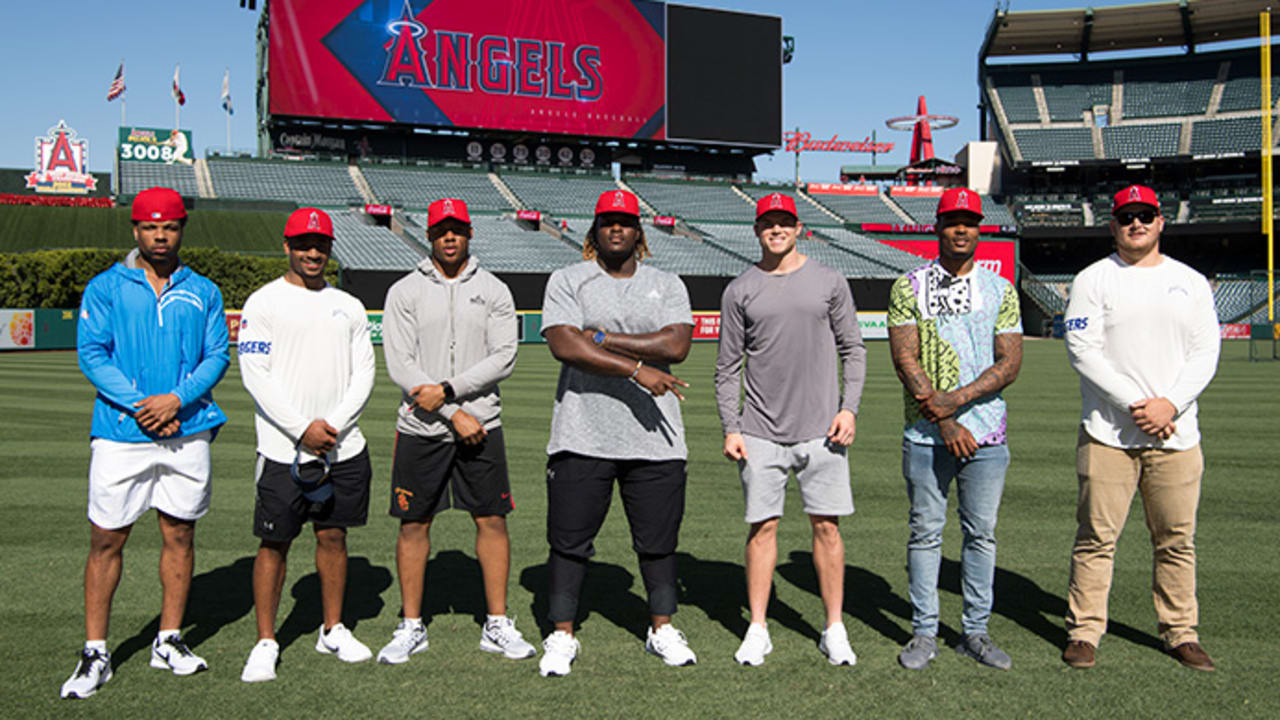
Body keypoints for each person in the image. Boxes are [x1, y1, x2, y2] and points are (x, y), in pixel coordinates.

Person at [62, 186, 229, 699]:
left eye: (170, 227)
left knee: (180, 535)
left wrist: (175, 400)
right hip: (121, 431)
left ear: (181, 230)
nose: (161, 236)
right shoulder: (105, 287)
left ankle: (169, 639)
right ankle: (96, 651)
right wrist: (144, 405)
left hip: (186, 429)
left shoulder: (203, 290)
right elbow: (92, 353)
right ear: (135, 229)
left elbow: (217, 356)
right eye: (151, 227)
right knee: (106, 539)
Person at [536, 189, 697, 677]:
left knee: (658, 541)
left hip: (656, 438)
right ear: (595, 228)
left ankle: (661, 628)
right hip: (582, 433)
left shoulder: (666, 283)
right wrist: (637, 370)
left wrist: (605, 338)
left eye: (624, 221)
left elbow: (677, 345)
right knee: (569, 541)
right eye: (607, 221)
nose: (616, 228)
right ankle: (562, 634)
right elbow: (565, 344)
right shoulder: (568, 279)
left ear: (638, 230)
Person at [1061, 184, 1221, 671]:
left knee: (1176, 540)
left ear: (1160, 222)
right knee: (1095, 538)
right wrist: (1138, 404)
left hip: (1176, 434)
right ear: (1113, 225)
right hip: (1108, 433)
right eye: (1127, 216)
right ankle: (1084, 630)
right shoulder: (1093, 279)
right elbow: (1083, 351)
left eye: (1145, 215)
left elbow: (1205, 352)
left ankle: (1180, 632)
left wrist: (1169, 404)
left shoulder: (1190, 282)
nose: (1136, 223)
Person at [377, 198, 534, 664]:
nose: (450, 237)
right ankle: (411, 624)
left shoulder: (494, 289)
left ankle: (497, 623)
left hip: (481, 424)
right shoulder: (404, 290)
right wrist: (451, 412)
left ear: (469, 233)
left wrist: (448, 392)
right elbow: (400, 364)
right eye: (441, 230)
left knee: (492, 520)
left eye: (457, 229)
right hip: (420, 426)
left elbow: (503, 357)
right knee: (413, 524)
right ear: (428, 235)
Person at [714, 192, 867, 667]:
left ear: (799, 228)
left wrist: (849, 409)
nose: (776, 229)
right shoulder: (740, 290)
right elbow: (727, 367)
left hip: (823, 429)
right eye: (768, 223)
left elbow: (853, 349)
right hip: (760, 431)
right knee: (763, 528)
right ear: (756, 230)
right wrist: (731, 426)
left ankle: (834, 628)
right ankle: (757, 628)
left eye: (784, 222)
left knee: (827, 527)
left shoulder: (829, 280)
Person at [237, 207, 377, 682]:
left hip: (342, 446)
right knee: (274, 543)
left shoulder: (348, 305)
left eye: (320, 245)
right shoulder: (263, 302)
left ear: (330, 249)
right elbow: (256, 376)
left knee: (333, 536)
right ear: (287, 246)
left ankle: (332, 628)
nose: (312, 253)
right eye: (303, 244)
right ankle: (266, 640)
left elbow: (364, 373)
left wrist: (330, 426)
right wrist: (302, 429)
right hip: (284, 449)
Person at [886, 187, 1022, 671]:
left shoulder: (1000, 289)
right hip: (925, 434)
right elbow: (905, 359)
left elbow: (1010, 363)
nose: (960, 229)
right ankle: (924, 633)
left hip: (986, 434)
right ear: (937, 228)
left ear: (979, 228)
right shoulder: (909, 286)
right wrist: (945, 420)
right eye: (951, 221)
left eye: (969, 221)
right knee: (925, 532)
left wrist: (957, 402)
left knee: (980, 534)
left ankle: (975, 632)